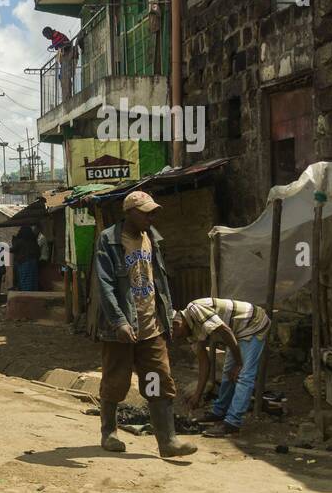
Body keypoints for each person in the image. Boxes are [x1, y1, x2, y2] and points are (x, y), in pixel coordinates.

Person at [90, 190, 196, 460]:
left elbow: (159, 280)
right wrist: (119, 321)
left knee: (157, 380)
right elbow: (105, 285)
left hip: (151, 325)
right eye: (145, 212)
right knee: (116, 379)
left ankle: (167, 441)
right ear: (129, 213)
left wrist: (168, 312)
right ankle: (109, 433)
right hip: (122, 327)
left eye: (153, 212)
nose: (151, 217)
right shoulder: (110, 240)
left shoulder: (152, 239)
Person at [173, 297, 271, 438]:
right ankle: (219, 412)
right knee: (228, 372)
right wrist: (197, 395)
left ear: (177, 324)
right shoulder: (190, 331)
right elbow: (204, 363)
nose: (176, 338)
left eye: (175, 334)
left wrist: (239, 363)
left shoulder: (195, 309)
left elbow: (225, 331)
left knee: (244, 376)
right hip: (236, 331)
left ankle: (232, 423)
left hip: (253, 323)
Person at [12, 225, 40, 291]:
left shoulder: (20, 241)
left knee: (25, 284)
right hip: (34, 264)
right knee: (33, 283)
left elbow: (13, 249)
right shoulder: (33, 242)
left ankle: (26, 299)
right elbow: (38, 253)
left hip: (23, 264)